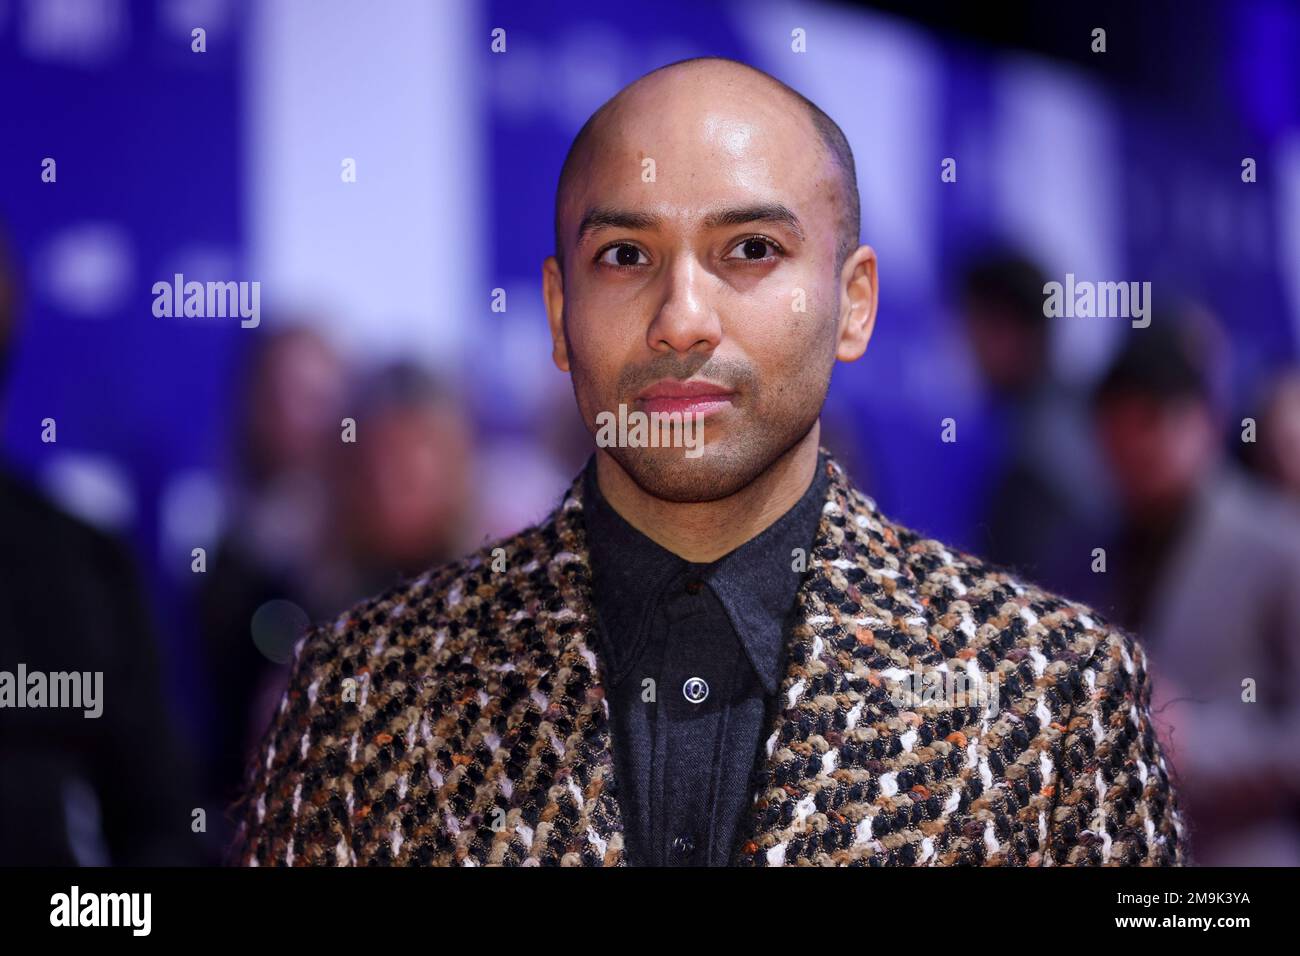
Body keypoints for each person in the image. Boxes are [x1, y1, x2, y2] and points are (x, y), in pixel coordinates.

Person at [229, 57, 1188, 867]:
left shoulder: (1053, 695)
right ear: (559, 315)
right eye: (624, 256)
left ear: (854, 304)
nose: (682, 317)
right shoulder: (360, 699)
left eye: (751, 248)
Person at [1091, 314, 1300, 866]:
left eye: (1154, 421)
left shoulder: (1279, 543)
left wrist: (1193, 743)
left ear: (1206, 418)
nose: (1135, 445)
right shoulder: (1083, 550)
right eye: (1116, 427)